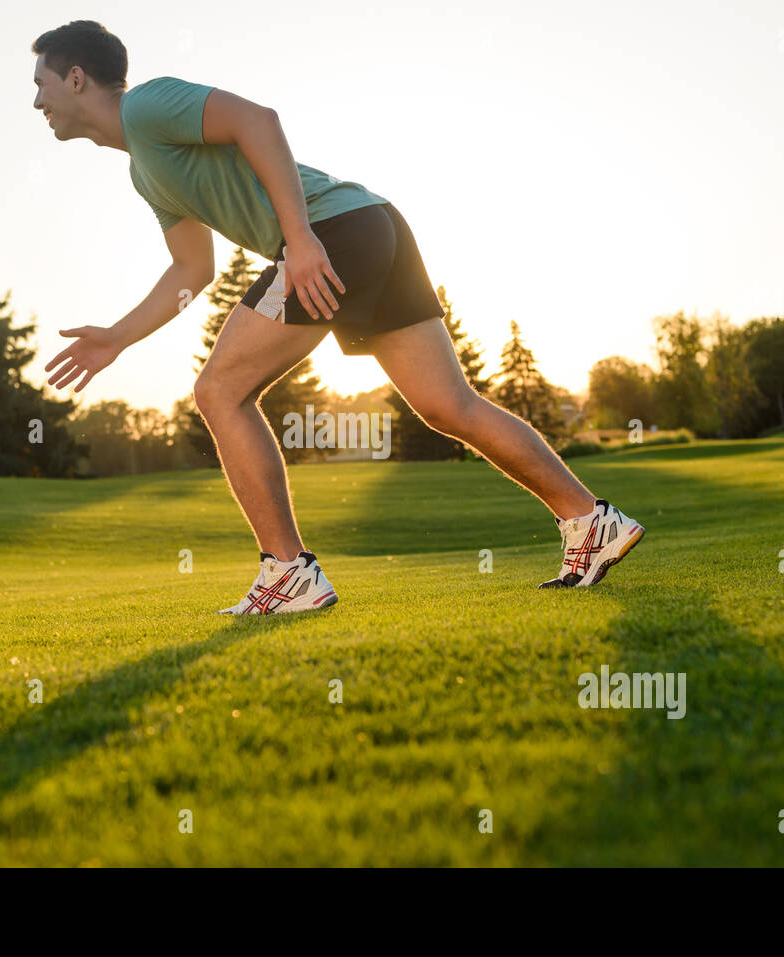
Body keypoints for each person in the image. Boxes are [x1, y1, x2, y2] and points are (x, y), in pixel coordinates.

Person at [34, 20, 645, 614]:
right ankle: (590, 520)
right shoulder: (145, 170)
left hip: (331, 233)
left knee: (219, 390)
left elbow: (257, 121)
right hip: (371, 224)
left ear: (78, 77)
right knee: (446, 406)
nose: (38, 101)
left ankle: (289, 572)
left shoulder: (146, 105)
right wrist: (116, 338)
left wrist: (298, 241)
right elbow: (192, 271)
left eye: (43, 84)